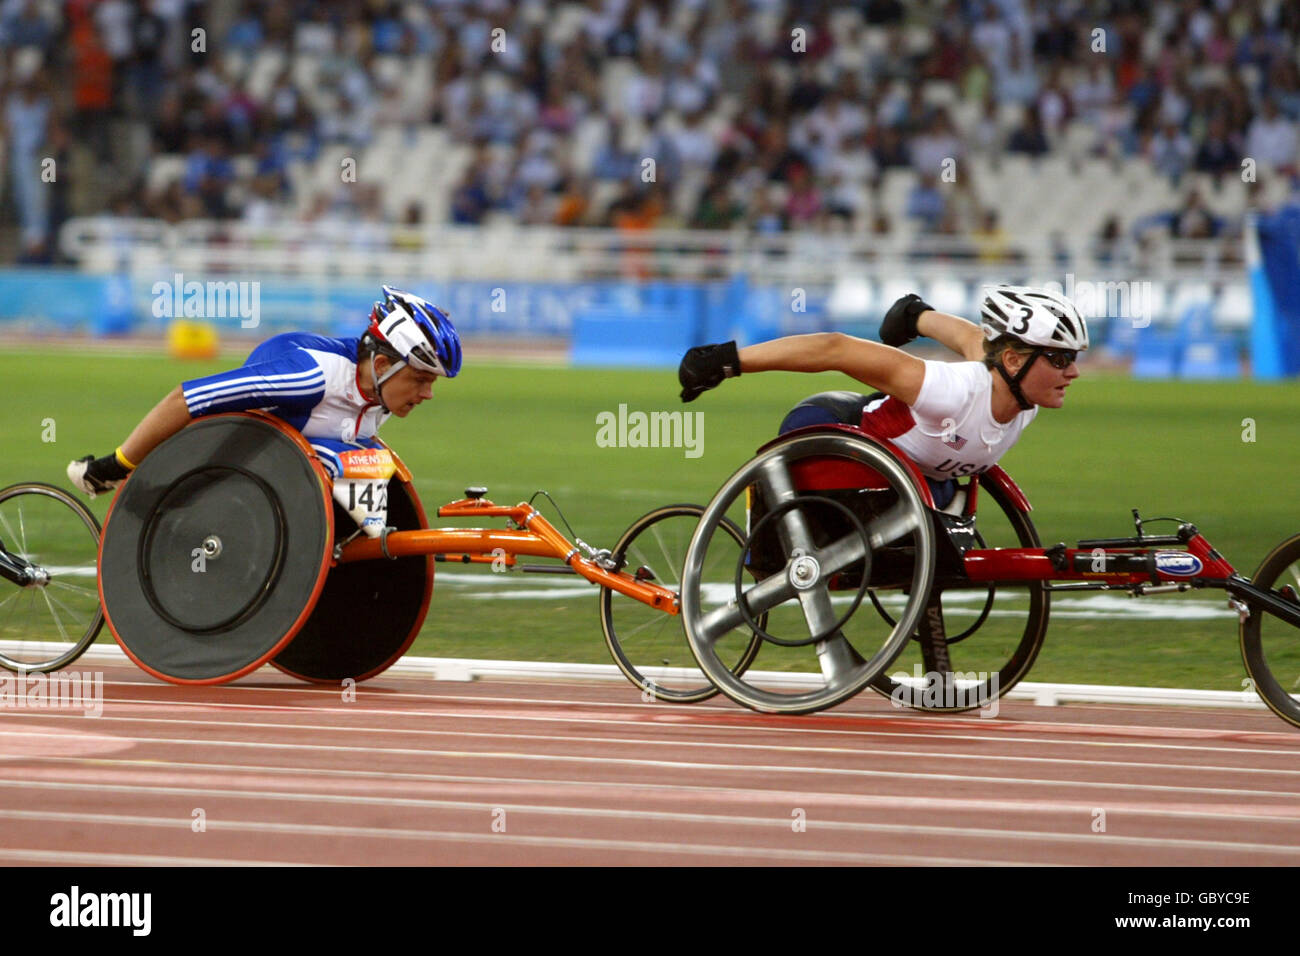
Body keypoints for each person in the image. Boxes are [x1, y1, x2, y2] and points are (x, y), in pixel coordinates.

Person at [677, 286, 1088, 509]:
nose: (1073, 372)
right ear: (1015, 360)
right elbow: (835, 349)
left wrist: (916, 317)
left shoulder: (1022, 394)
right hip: (833, 433)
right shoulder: (951, 390)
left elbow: (972, 339)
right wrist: (728, 361)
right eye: (1060, 359)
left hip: (916, 478)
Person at [68, 285, 462, 497]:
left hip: (292, 466)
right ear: (380, 366)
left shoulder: (382, 391)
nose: (427, 395)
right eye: (422, 380)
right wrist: (116, 466)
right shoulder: (307, 378)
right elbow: (187, 398)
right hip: (248, 449)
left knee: (375, 464)